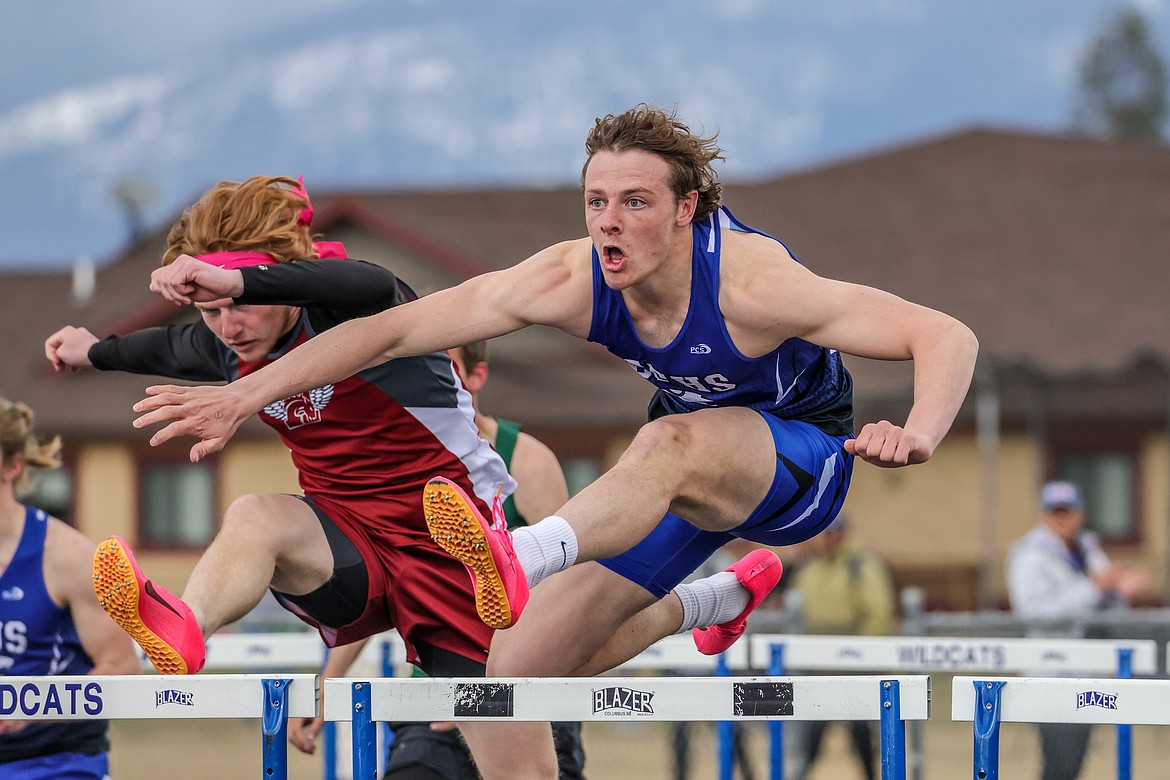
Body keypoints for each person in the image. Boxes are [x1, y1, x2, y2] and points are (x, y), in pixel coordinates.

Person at [127, 106, 977, 777]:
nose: (610, 225)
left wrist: (922, 432)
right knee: (505, 676)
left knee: (671, 442)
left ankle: (520, 555)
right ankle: (711, 602)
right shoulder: (572, 277)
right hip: (685, 477)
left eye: (636, 204)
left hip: (802, 460)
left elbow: (944, 333)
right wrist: (242, 395)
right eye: (596, 203)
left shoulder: (755, 284)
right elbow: (391, 331)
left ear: (687, 210)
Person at [46, 174, 782, 780]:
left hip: (457, 542)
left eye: (240, 301)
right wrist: (91, 350)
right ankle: (187, 625)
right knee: (255, 515)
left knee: (545, 707)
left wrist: (233, 281)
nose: (228, 326)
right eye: (208, 312)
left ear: (281, 276)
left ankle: (712, 599)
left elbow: (357, 276)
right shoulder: (223, 343)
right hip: (352, 545)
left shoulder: (361, 304)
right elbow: (160, 347)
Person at [291, 340, 587, 779]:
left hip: (524, 687)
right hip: (433, 693)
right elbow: (379, 590)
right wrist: (327, 686)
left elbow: (569, 593)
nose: (421, 381)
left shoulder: (529, 462)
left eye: (440, 367)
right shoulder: (391, 468)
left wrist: (482, 691)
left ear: (476, 376)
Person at [0, 397, 141, 780]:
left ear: (13, 466)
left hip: (56, 762)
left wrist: (32, 708)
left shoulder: (69, 556)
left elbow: (123, 666)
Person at [1006, 480, 1149, 780]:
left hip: (1087, 674)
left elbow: (1103, 604)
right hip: (1050, 673)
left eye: (1067, 511)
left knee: (1072, 768)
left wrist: (1119, 591)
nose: (1061, 518)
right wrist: (1094, 587)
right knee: (1060, 767)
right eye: (1054, 511)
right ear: (1042, 515)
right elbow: (1034, 614)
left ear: (1080, 514)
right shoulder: (1029, 555)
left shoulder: (1088, 549)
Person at [786, 515, 895, 780]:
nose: (830, 539)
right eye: (826, 533)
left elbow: (878, 611)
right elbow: (796, 612)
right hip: (817, 668)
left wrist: (861, 653)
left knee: (861, 735)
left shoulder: (861, 565)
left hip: (854, 668)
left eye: (835, 532)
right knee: (811, 735)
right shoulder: (809, 567)